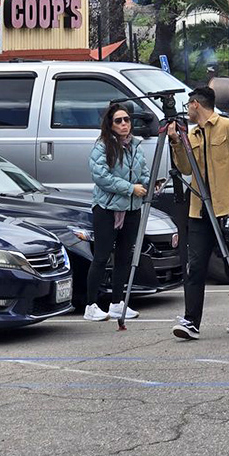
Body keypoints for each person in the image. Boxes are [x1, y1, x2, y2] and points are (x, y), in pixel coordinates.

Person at [168, 86, 229, 339]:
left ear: (196, 105)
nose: (186, 109)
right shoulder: (192, 134)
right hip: (199, 209)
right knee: (196, 265)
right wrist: (176, 142)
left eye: (188, 104)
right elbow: (184, 169)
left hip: (227, 208)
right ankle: (191, 321)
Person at [85, 103, 150, 321]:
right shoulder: (102, 146)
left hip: (132, 209)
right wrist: (130, 188)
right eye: (118, 121)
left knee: (124, 257)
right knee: (102, 256)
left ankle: (117, 302)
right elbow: (101, 176)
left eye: (127, 120)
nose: (124, 124)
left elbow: (144, 173)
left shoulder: (136, 146)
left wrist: (149, 186)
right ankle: (90, 305)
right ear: (110, 124)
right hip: (106, 209)